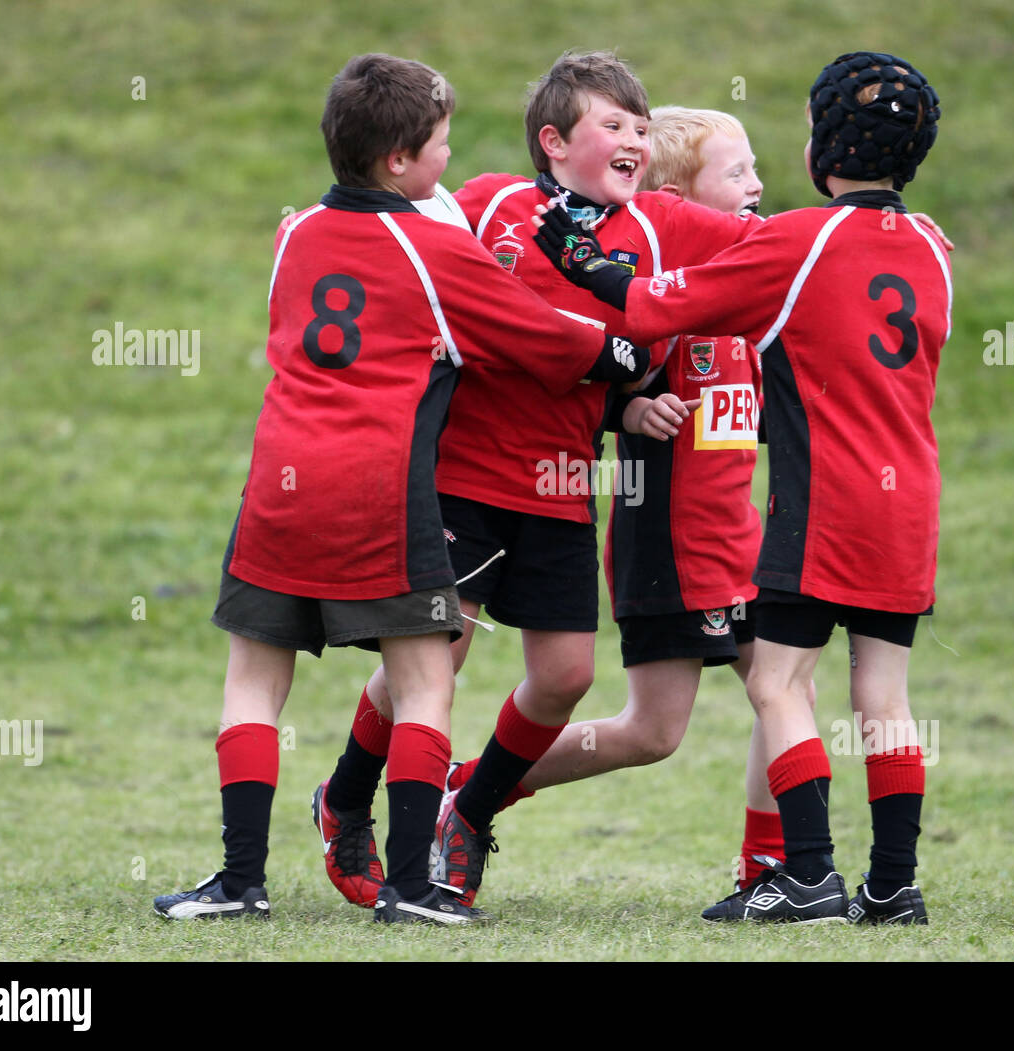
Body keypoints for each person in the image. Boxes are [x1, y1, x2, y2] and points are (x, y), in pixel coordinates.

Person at [152, 52, 646, 927]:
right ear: (400, 163)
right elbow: (537, 334)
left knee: (252, 685)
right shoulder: (436, 248)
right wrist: (616, 357)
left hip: (277, 485)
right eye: (442, 146)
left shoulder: (294, 233)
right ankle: (414, 888)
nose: (450, 161)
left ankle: (237, 881)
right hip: (381, 490)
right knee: (424, 683)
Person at [316, 50, 766, 911]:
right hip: (467, 474)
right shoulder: (490, 204)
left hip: (564, 486)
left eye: (641, 127)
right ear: (555, 142)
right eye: (614, 125)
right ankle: (344, 798)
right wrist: (316, 223)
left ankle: (471, 807)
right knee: (433, 658)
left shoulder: (660, 224)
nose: (634, 138)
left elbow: (768, 247)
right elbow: (386, 227)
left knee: (564, 675)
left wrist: (875, 222)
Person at [534, 51, 950, 925]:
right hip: (910, 502)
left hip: (825, 504)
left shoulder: (799, 239)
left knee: (779, 685)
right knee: (885, 695)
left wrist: (572, 252)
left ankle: (804, 874)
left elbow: (650, 306)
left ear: (822, 150)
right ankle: (895, 885)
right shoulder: (934, 247)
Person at [439, 105, 790, 896]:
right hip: (670, 543)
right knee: (663, 727)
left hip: (743, 541)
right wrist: (629, 407)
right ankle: (474, 786)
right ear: (676, 201)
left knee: (752, 698)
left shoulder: (753, 299)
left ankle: (770, 866)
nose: (757, 184)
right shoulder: (657, 299)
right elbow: (596, 369)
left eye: (756, 166)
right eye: (735, 173)